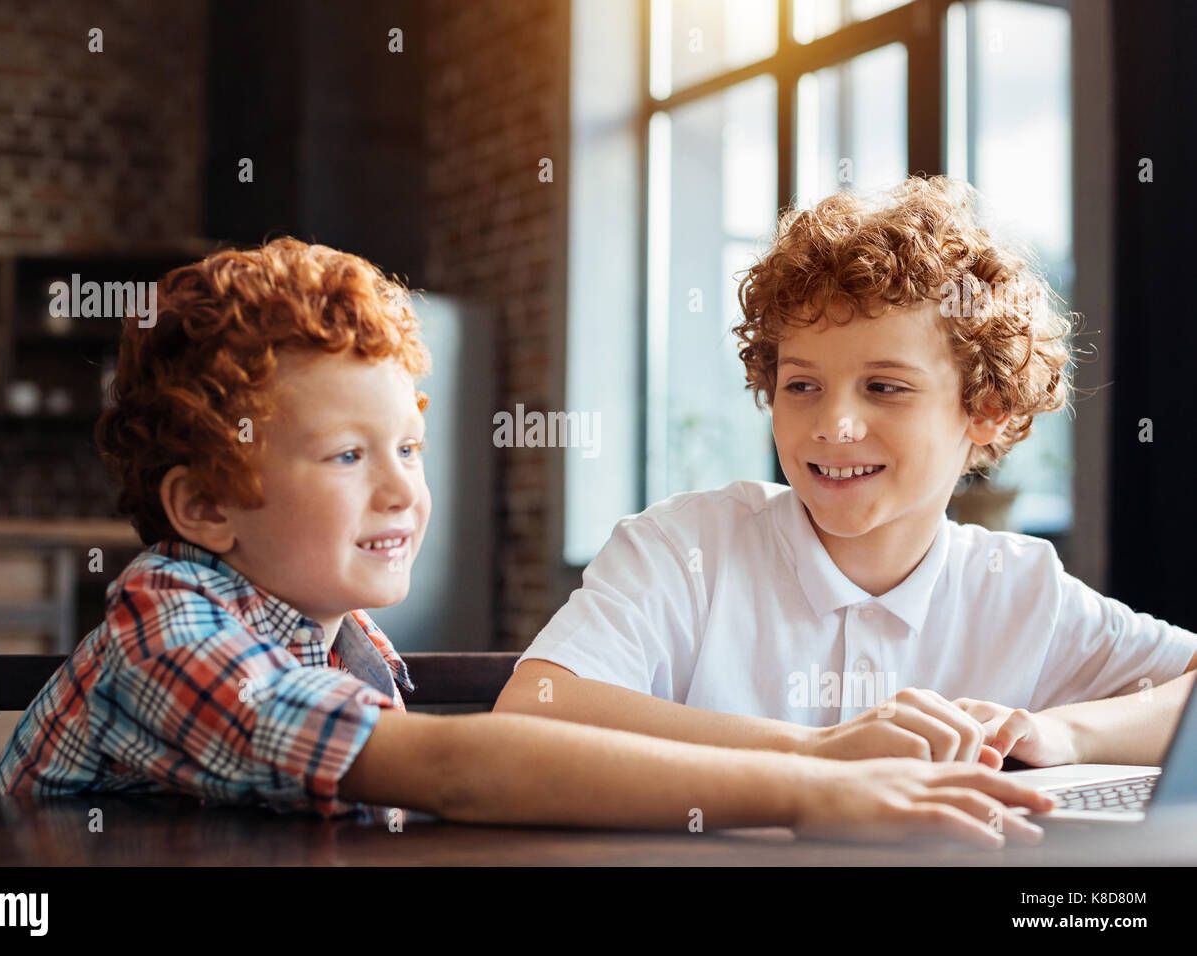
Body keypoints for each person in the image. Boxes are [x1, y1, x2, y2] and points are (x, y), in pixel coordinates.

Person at [0, 238, 1052, 847]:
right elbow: (449, 762)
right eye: (348, 457)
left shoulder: (336, 636)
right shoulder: (168, 619)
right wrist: (812, 774)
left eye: (409, 444)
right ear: (208, 507)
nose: (404, 487)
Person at [495, 176, 1197, 772]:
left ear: (984, 408)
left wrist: (1064, 732)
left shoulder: (1021, 591)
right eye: (802, 386)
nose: (834, 425)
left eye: (885, 388)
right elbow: (531, 713)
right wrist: (820, 754)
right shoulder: (685, 548)